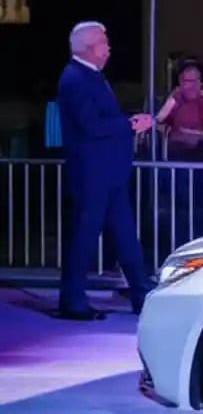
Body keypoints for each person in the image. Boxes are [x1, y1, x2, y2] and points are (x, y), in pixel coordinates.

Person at [56, 21, 154, 320]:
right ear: (88, 47)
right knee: (84, 235)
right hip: (92, 173)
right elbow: (90, 125)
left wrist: (128, 122)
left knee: (125, 235)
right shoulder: (75, 78)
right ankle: (72, 300)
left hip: (109, 173)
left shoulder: (92, 77)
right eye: (104, 42)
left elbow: (101, 120)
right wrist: (129, 124)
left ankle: (142, 292)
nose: (108, 47)